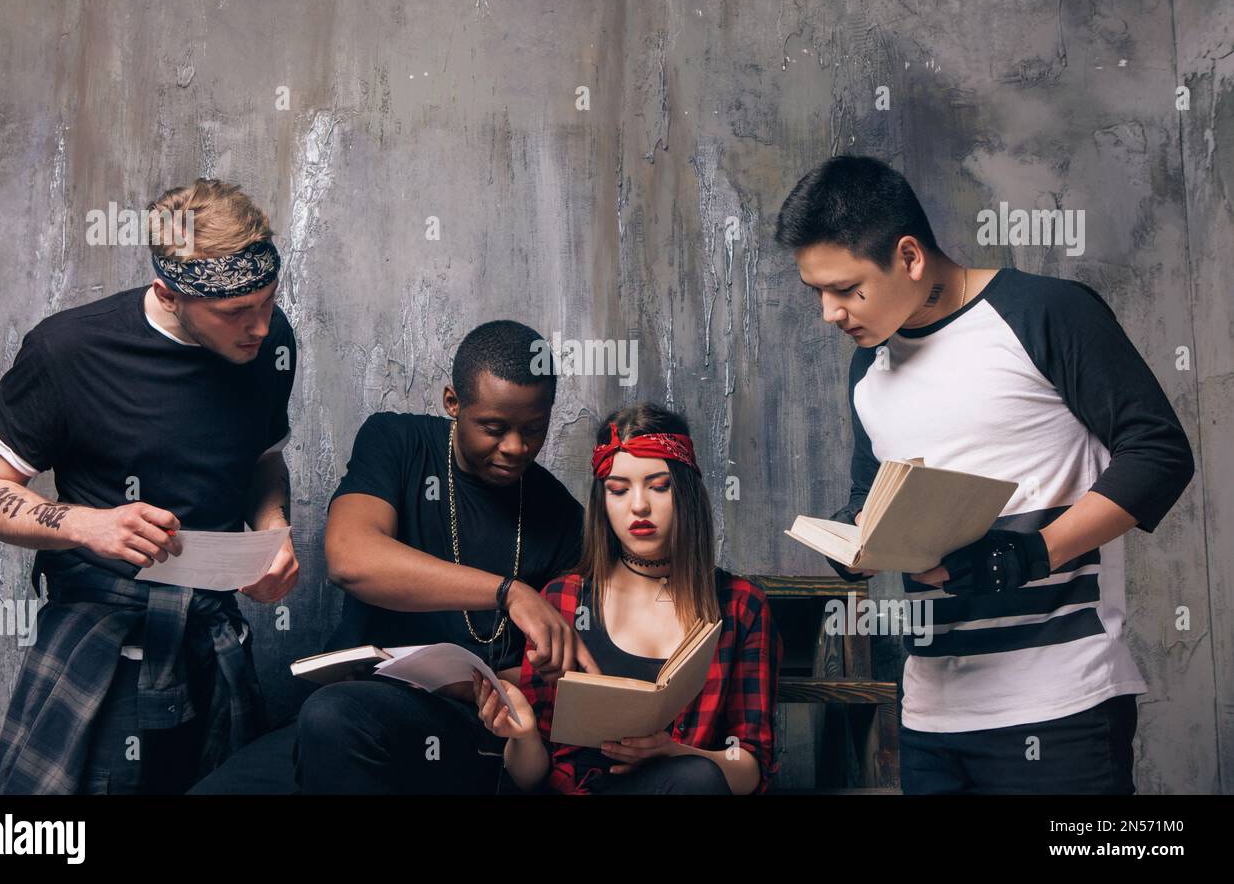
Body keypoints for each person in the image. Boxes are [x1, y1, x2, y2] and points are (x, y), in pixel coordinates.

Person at [773, 154, 1195, 794]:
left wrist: (1028, 553)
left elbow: (1159, 453)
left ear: (910, 257)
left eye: (846, 289)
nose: (831, 312)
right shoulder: (868, 372)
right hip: (930, 717)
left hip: (1062, 706)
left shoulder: (1044, 312)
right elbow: (871, 500)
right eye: (818, 293)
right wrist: (852, 543)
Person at [0, 178, 300, 794]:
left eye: (268, 302)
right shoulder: (67, 350)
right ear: (167, 293)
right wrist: (85, 524)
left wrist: (273, 528)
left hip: (215, 640)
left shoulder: (270, 343)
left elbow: (261, 462)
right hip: (101, 646)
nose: (258, 328)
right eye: (234, 313)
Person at [189, 319, 595, 794]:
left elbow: (553, 672)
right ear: (453, 402)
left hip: (466, 732)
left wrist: (479, 685)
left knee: (333, 715)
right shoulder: (396, 442)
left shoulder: (562, 516)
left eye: (534, 429)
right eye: (493, 427)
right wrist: (508, 593)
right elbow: (350, 559)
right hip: (348, 712)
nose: (515, 447)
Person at [476, 403, 783, 794]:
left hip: (685, 788)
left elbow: (751, 766)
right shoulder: (562, 599)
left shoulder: (742, 605)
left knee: (696, 778)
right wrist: (523, 734)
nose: (639, 505)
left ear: (686, 492)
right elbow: (530, 776)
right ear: (602, 502)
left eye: (659, 486)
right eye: (618, 490)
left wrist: (676, 752)